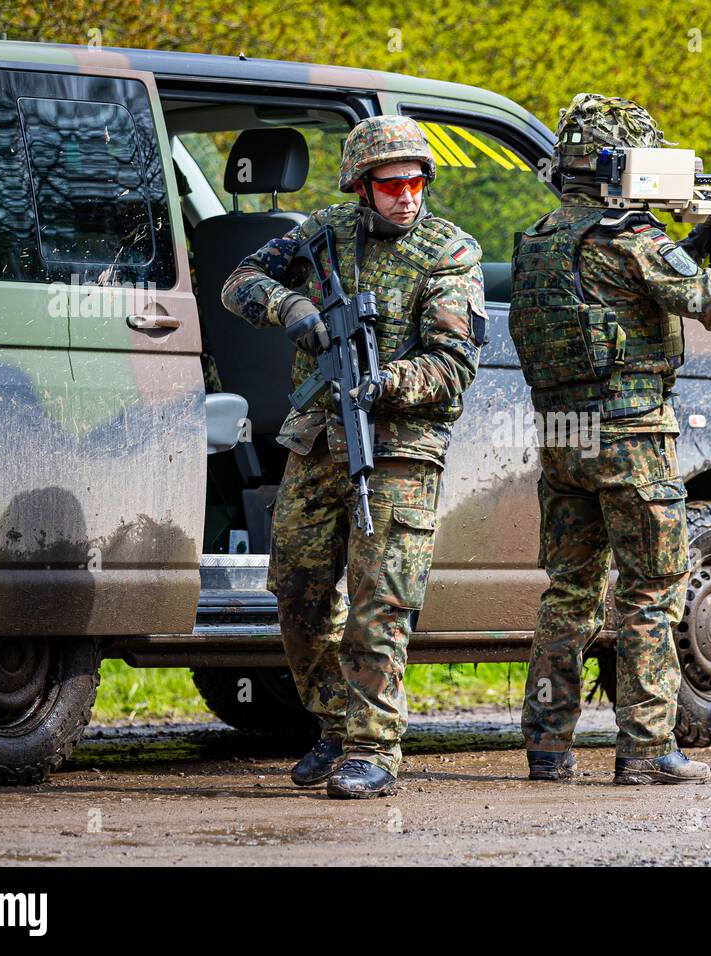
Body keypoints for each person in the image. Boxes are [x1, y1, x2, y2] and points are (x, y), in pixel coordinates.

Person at [509, 93, 711, 785]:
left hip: (563, 436)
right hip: (632, 439)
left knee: (569, 594)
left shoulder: (541, 239)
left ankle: (548, 747)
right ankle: (646, 748)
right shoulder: (633, 236)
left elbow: (611, 297)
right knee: (650, 592)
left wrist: (693, 250)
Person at [222, 115, 486, 798]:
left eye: (415, 181)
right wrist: (289, 308)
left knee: (381, 603)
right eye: (390, 184)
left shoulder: (448, 251)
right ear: (362, 186)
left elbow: (453, 365)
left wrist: (385, 381)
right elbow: (238, 281)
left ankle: (375, 748)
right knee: (297, 594)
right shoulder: (322, 233)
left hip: (398, 451)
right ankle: (336, 727)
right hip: (316, 443)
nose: (406, 195)